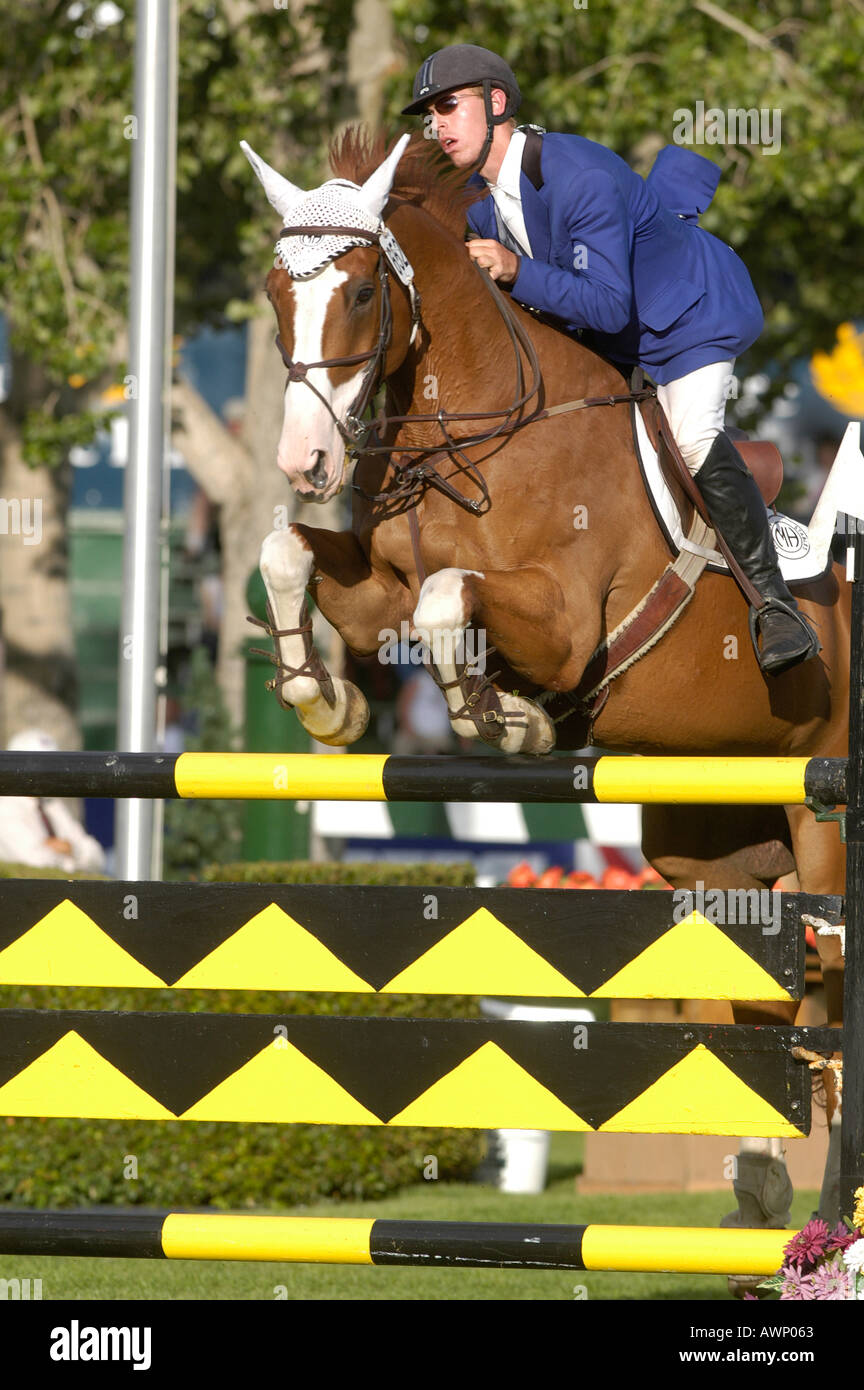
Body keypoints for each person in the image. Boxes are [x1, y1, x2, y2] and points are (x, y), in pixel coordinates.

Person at [401, 45, 819, 676]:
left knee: (693, 438)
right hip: (619, 336)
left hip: (689, 320)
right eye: (429, 114)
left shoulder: (580, 174)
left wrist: (515, 268)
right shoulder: (477, 198)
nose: (437, 126)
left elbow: (602, 303)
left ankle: (775, 606)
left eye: (448, 107)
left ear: (496, 104)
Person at [0, 729, 106, 874]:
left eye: (51, 765)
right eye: (39, 765)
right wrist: (72, 853)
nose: (46, 772)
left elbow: (97, 858)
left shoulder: (51, 803)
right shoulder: (4, 808)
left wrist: (70, 848)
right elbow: (35, 862)